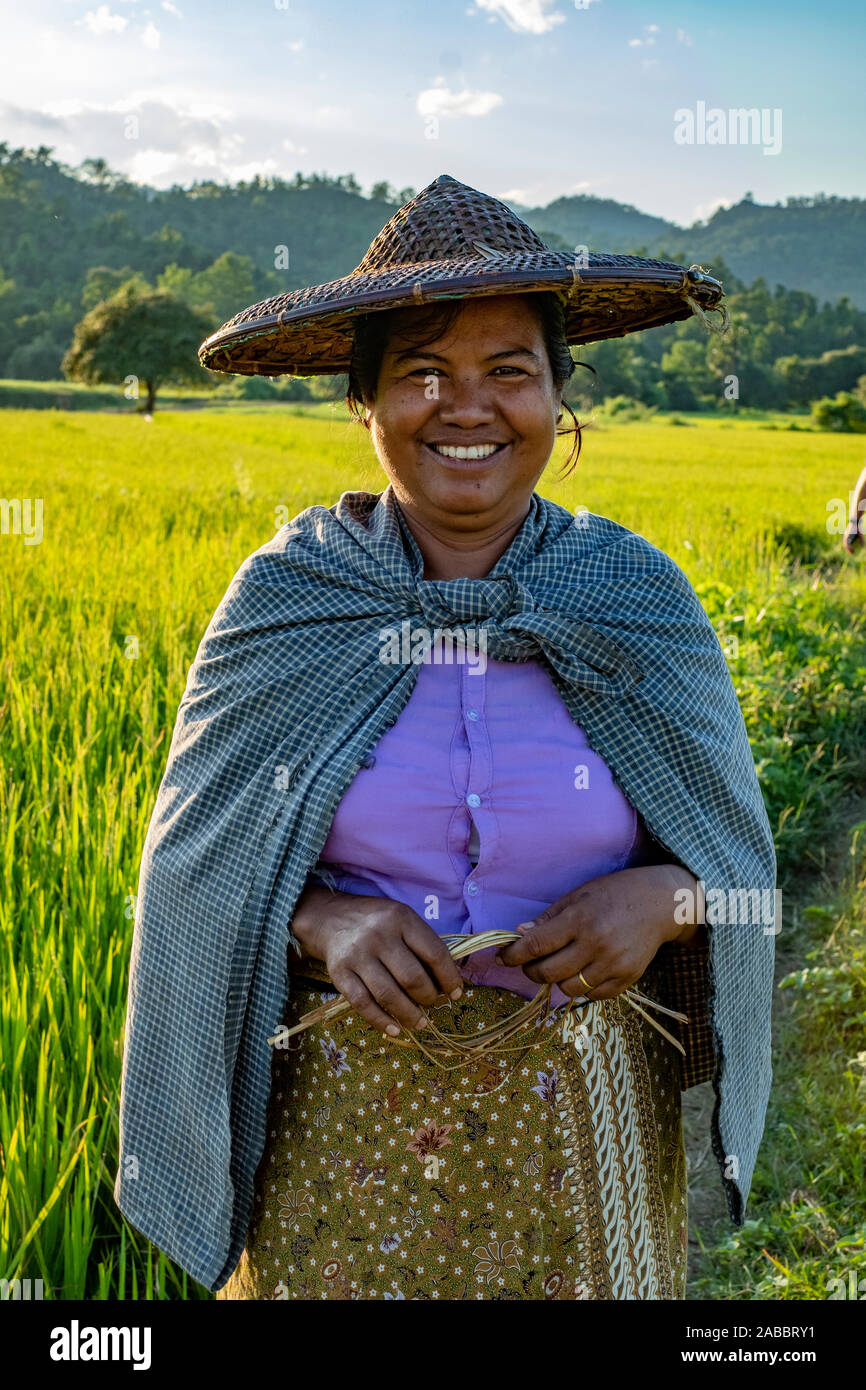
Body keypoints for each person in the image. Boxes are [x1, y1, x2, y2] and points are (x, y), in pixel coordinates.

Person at [115, 175, 776, 1301]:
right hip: (339, 1140)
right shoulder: (290, 600)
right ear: (361, 405)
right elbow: (191, 874)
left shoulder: (631, 597)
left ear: (558, 400)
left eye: (506, 372)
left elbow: (742, 875)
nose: (463, 407)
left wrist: (665, 898)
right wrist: (321, 919)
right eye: (420, 372)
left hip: (587, 1131)